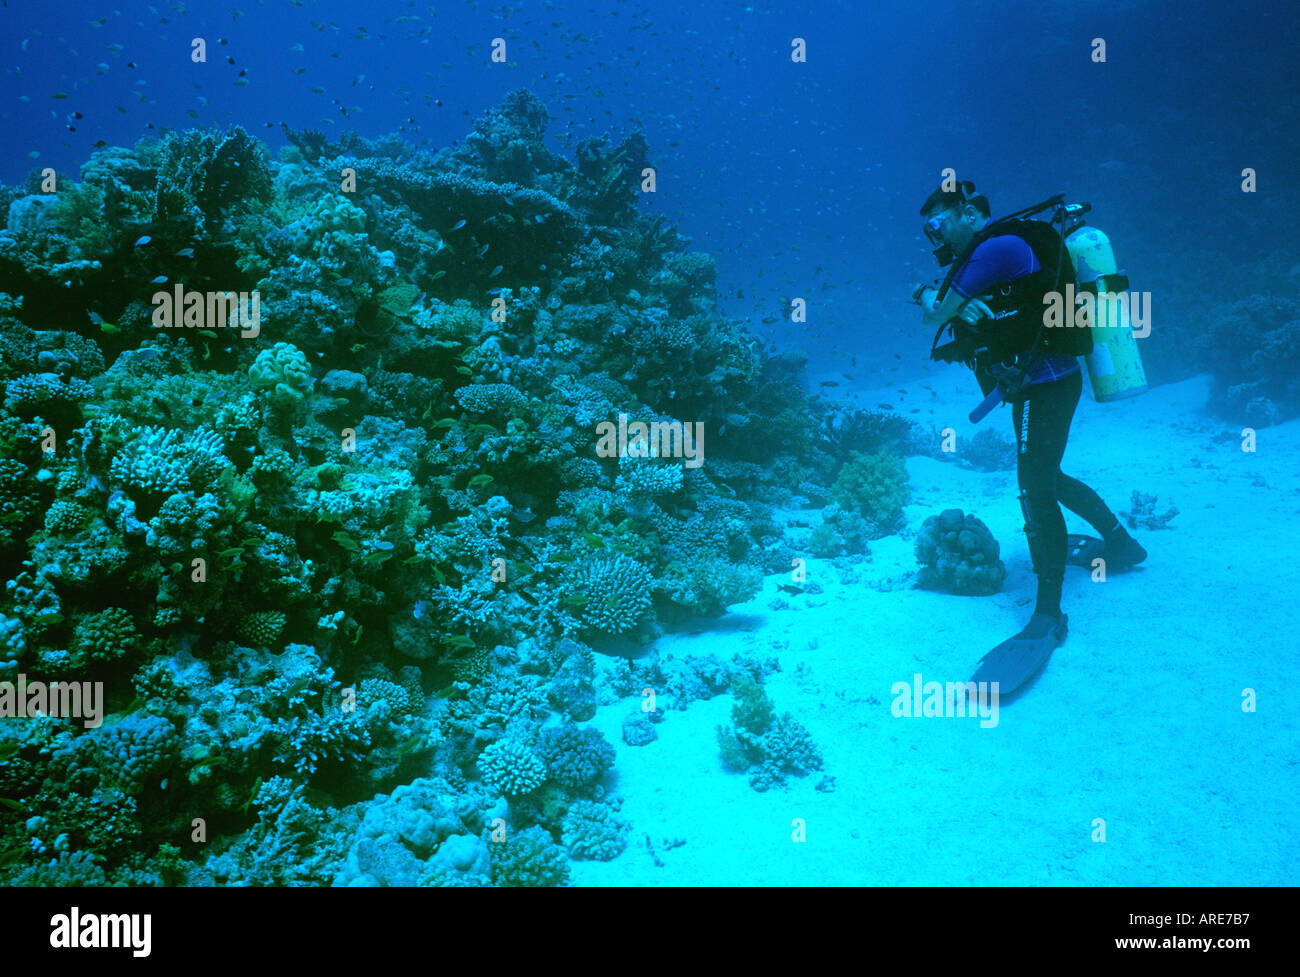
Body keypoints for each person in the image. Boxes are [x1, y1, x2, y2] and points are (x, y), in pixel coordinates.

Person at [910, 180, 1145, 690]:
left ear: (969, 212)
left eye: (939, 222)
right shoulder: (993, 249)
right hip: (1041, 382)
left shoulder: (997, 247)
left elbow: (935, 310)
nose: (934, 235)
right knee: (1047, 476)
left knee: (1033, 487)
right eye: (927, 228)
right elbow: (947, 302)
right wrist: (939, 297)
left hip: (1047, 383)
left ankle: (1048, 614)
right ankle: (1122, 545)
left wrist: (933, 297)